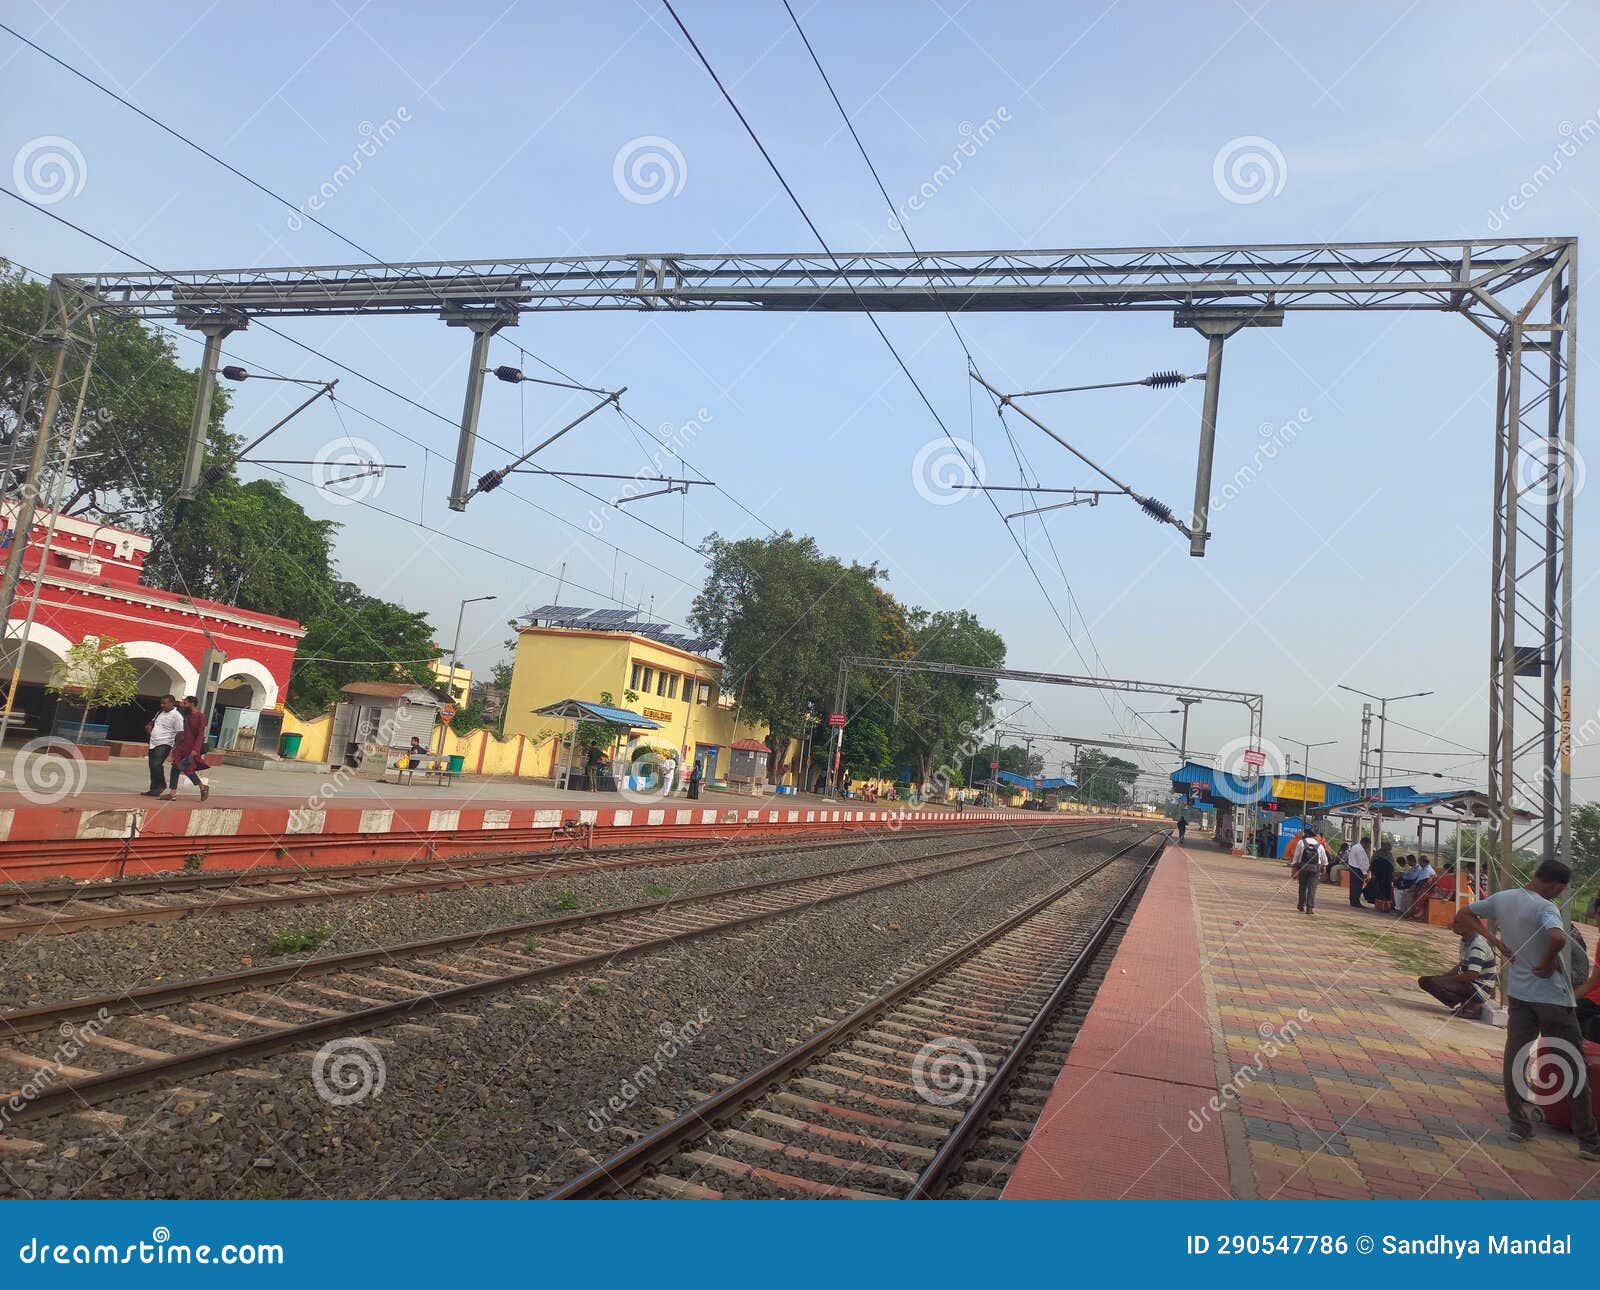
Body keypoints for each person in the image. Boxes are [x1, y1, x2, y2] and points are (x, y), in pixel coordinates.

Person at [1454, 860, 1600, 1159]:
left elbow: (1464, 913)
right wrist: (1546, 964)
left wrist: (1496, 941)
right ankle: (1589, 1142)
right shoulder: (1545, 907)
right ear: (1556, 886)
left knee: (1515, 1056)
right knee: (1572, 1062)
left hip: (1519, 994)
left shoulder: (1503, 898)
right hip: (1553, 999)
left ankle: (1519, 1126)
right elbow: (1558, 938)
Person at [1418, 917, 1499, 1020]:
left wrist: (1447, 980)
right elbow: (1461, 965)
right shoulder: (1465, 941)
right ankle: (1465, 1004)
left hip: (1479, 988)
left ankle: (1471, 1007)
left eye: (1457, 923)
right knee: (1426, 981)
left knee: (1439, 983)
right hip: (1470, 983)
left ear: (1468, 927)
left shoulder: (1477, 947)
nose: (1453, 925)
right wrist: (1443, 977)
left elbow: (1472, 975)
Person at [165, 696, 210, 801]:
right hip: (181, 745)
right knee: (175, 767)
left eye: (185, 703)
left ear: (192, 704)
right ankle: (172, 793)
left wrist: (196, 749)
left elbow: (200, 734)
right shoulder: (185, 715)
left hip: (191, 747)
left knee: (187, 769)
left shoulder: (200, 716)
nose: (183, 705)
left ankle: (202, 786)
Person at [142, 695, 183, 798]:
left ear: (172, 703)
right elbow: (152, 721)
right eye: (161, 703)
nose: (162, 705)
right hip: (153, 742)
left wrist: (174, 748)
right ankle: (154, 788)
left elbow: (180, 733)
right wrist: (149, 726)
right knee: (152, 765)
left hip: (165, 743)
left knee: (156, 764)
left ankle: (161, 785)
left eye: (165, 703)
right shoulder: (160, 712)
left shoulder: (176, 716)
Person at [1290, 828, 1324, 915]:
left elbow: (1296, 855)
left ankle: (1301, 905)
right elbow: (1325, 860)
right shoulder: (1319, 845)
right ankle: (1310, 908)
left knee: (1302, 887)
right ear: (1315, 835)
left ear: (1307, 834)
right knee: (1312, 888)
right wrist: (1323, 868)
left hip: (1303, 867)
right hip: (1315, 869)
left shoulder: (1301, 842)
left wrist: (1294, 864)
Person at [1363, 843, 1395, 912]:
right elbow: (1392, 866)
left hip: (1378, 876)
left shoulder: (1377, 854)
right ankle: (1385, 907)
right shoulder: (1389, 855)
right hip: (1386, 877)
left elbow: (1372, 864)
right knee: (1385, 891)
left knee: (1378, 890)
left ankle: (1378, 905)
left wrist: (1373, 873)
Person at [1345, 834, 1371, 908]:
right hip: (1357, 869)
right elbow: (1361, 862)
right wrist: (1365, 873)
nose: (1368, 847)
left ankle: (1353, 900)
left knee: (1354, 886)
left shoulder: (1355, 847)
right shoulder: (1359, 849)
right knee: (1357, 886)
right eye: (1368, 845)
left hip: (1354, 868)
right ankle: (1355, 901)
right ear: (1364, 843)